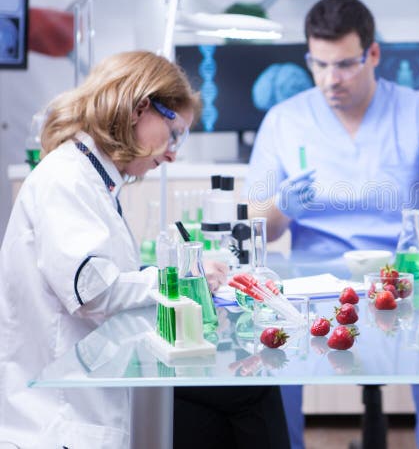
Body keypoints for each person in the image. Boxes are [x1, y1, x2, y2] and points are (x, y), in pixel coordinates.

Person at [0, 51, 287, 448]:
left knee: (244, 394)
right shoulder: (66, 179)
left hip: (101, 382)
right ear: (139, 109)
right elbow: (94, 293)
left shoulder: (92, 177)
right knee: (247, 394)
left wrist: (184, 274)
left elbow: (104, 277)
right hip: (64, 416)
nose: (172, 153)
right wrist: (183, 276)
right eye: (174, 135)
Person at [245, 0, 419, 448]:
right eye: (319, 65)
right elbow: (260, 226)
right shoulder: (284, 120)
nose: (330, 80)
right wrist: (282, 205)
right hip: (313, 292)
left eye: (345, 64)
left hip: (411, 284)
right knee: (269, 357)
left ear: (372, 54)